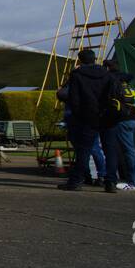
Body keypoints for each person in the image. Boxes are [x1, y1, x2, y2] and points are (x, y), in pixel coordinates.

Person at [57, 48, 119, 192]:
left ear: (80, 60)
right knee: (110, 150)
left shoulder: (77, 75)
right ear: (94, 58)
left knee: (83, 151)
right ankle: (110, 182)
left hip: (88, 117)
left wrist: (79, 115)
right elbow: (114, 93)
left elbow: (74, 98)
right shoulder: (107, 74)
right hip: (108, 116)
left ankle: (76, 181)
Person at [102, 59, 135, 191]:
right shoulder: (128, 85)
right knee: (130, 150)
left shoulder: (112, 83)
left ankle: (134, 182)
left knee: (127, 150)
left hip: (120, 120)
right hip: (132, 118)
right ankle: (134, 180)